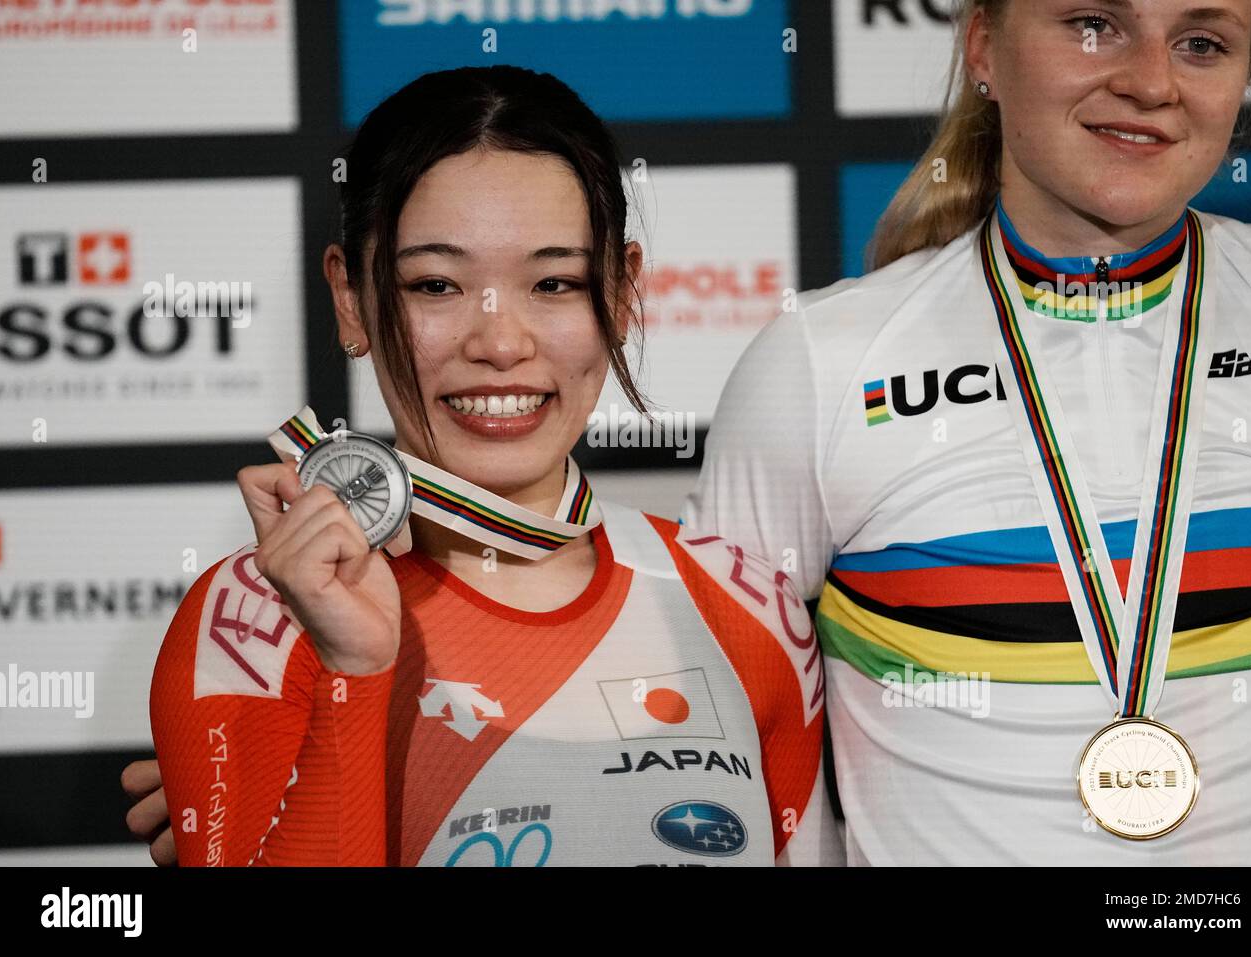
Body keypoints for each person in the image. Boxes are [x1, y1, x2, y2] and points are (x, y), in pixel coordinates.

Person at [130, 65, 840, 867]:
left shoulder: (747, 607)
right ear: (351, 300)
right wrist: (355, 672)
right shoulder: (257, 620)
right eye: (436, 283)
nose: (500, 343)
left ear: (623, 291)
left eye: (554, 282)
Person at [682, 0, 1251, 864]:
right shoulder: (818, 363)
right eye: (1094, 25)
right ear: (984, 50)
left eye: (1201, 43)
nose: (1153, 82)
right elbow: (727, 733)